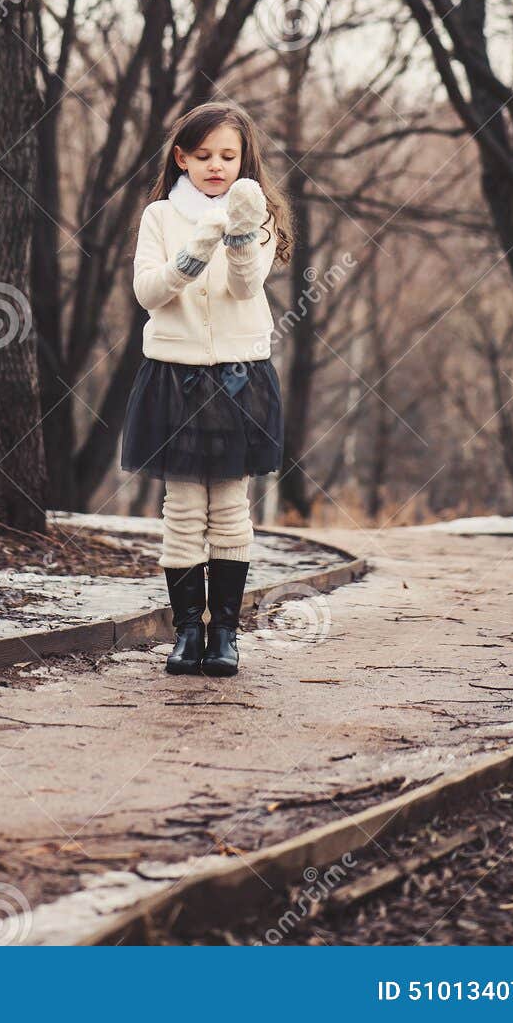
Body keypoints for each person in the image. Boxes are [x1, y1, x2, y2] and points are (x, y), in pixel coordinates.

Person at [121, 101, 292, 677]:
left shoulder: (255, 210)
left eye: (228, 155)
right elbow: (148, 292)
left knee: (231, 508)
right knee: (184, 509)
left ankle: (226, 635)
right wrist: (195, 250)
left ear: (244, 159)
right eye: (203, 155)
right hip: (176, 373)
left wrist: (240, 234)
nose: (216, 165)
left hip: (239, 375)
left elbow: (247, 289)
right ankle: (186, 633)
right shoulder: (159, 218)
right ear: (181, 158)